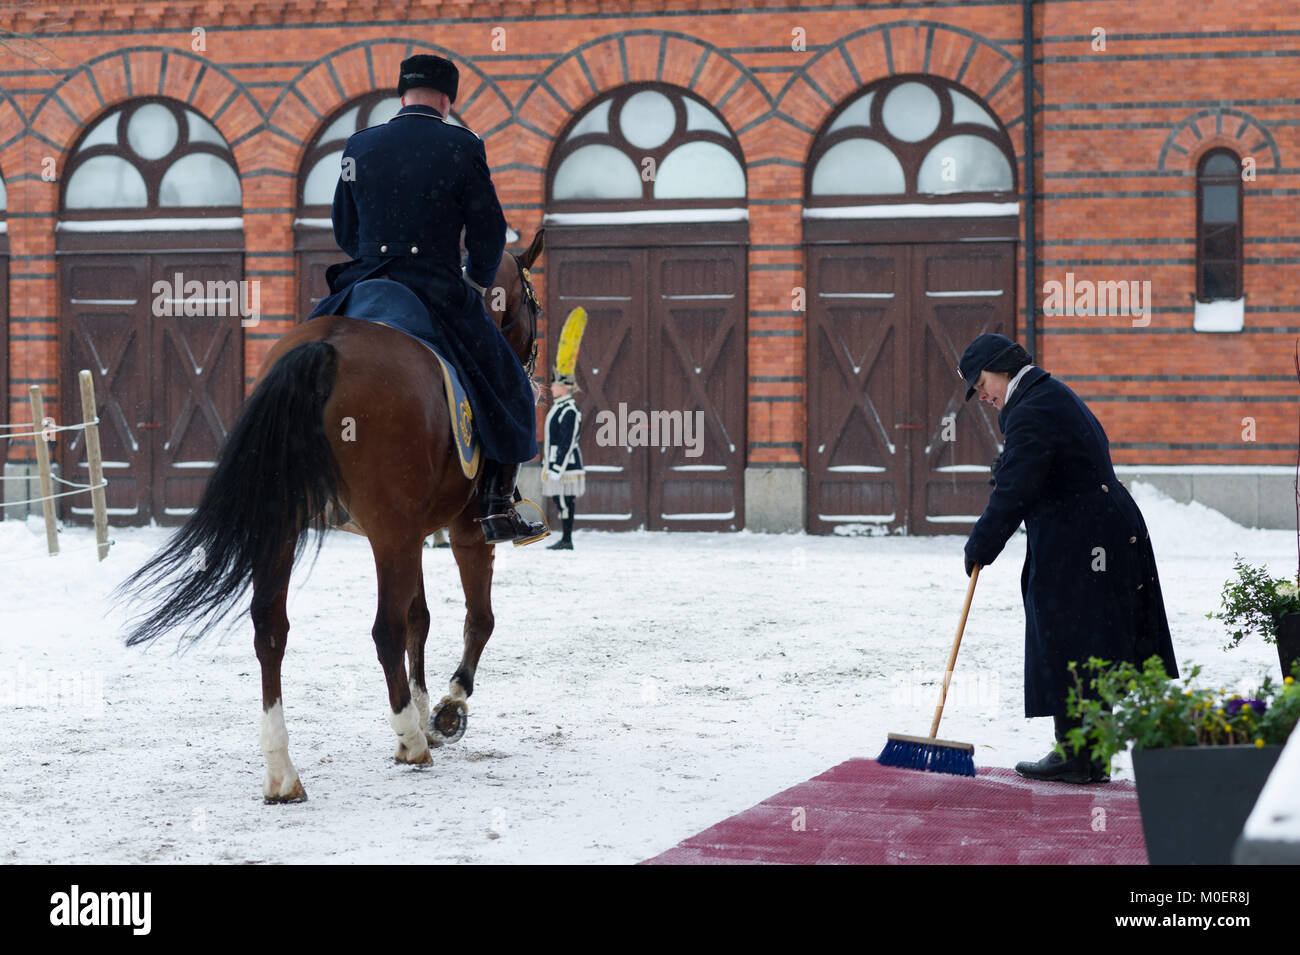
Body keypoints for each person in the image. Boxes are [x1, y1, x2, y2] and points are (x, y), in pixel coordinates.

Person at [309, 53, 543, 545]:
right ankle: (499, 504)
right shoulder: (462, 145)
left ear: (401, 95)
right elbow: (488, 231)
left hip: (364, 280)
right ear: (446, 99)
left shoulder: (359, 145)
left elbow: (344, 228)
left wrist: (373, 257)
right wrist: (478, 282)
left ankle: (299, 482)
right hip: (435, 286)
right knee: (512, 387)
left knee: (306, 351)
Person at [959, 333, 1178, 784]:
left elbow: (1017, 487)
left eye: (982, 383)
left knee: (1071, 635)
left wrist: (982, 543)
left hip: (1084, 538)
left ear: (1003, 368)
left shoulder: (1033, 409)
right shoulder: (1045, 396)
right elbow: (1036, 471)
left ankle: (1079, 755)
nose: (982, 396)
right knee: (1085, 638)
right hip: (1094, 530)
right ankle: (1085, 752)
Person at [542, 307, 587, 550]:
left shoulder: (569, 409)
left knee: (565, 500)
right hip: (556, 462)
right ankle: (565, 537)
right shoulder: (559, 408)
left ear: (566, 387)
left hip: (566, 463)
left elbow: (566, 441)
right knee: (560, 500)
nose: (553, 386)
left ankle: (567, 539)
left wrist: (557, 465)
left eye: (557, 383)